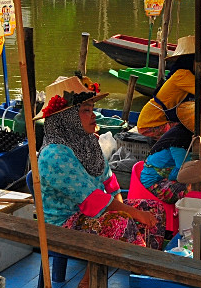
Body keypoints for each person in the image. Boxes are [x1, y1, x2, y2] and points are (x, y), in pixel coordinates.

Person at [38, 75, 166, 270]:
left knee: (154, 209)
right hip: (63, 225)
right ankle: (91, 281)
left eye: (92, 109)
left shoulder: (87, 141)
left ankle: (144, 268)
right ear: (66, 118)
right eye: (86, 111)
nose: (94, 115)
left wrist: (132, 212)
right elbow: (92, 200)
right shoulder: (54, 154)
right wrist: (133, 214)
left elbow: (110, 183)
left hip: (91, 214)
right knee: (120, 221)